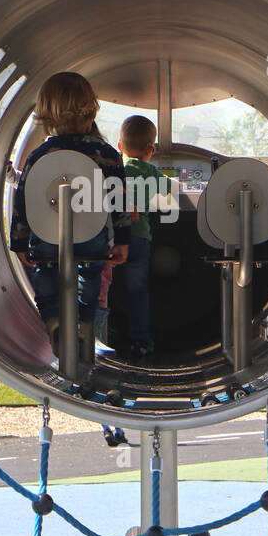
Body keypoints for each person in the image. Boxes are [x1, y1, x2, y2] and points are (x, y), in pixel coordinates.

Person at [9, 73, 130, 370]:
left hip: (47, 239)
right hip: (91, 240)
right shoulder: (107, 155)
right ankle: (84, 328)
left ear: (47, 115)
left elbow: (23, 203)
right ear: (91, 110)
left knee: (46, 282)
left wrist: (19, 242)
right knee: (88, 281)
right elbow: (119, 202)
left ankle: (54, 323)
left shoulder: (39, 156)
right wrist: (123, 240)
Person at [118, 115, 173, 360]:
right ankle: (140, 341)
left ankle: (107, 334)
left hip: (114, 237)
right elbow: (170, 190)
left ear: (120, 147)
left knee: (108, 286)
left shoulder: (117, 170)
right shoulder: (151, 171)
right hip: (140, 239)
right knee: (137, 290)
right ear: (150, 150)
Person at [95, 264, 126, 447]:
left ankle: (108, 428)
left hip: (90, 308)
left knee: (98, 383)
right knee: (110, 386)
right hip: (98, 307)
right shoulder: (103, 257)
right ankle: (117, 428)